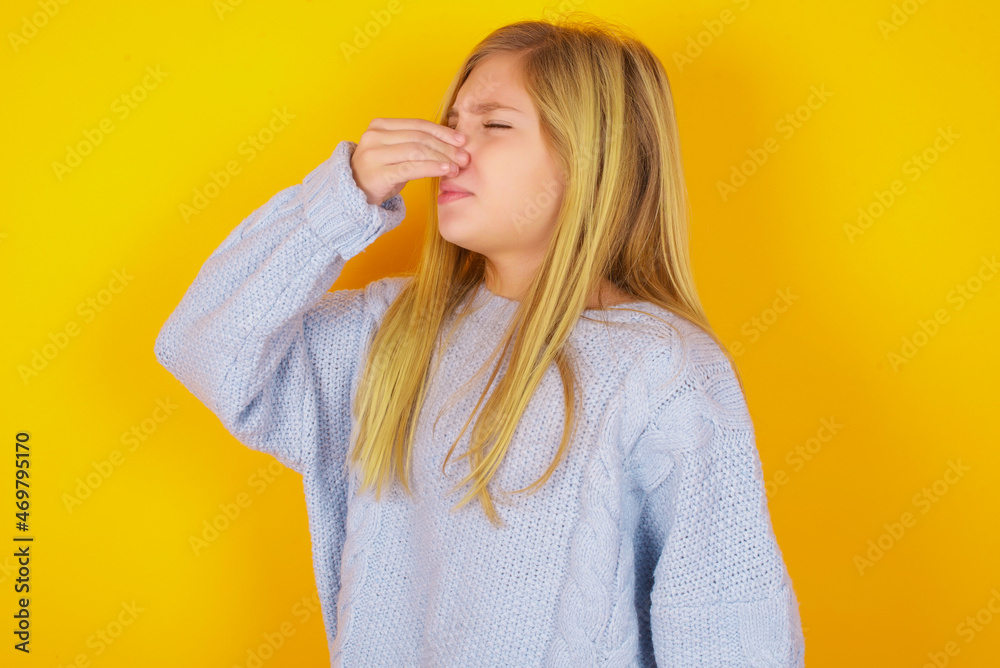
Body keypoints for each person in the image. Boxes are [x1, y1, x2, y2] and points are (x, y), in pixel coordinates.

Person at [154, 13, 805, 667]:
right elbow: (202, 346)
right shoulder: (392, 331)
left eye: (493, 125)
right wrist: (339, 199)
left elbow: (726, 627)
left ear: (592, 157)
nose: (450, 149)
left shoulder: (660, 370)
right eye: (451, 122)